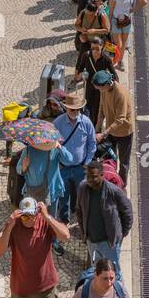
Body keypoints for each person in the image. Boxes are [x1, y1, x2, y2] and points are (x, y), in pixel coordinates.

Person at [0, 197, 70, 298]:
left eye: (32, 216)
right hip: (21, 287)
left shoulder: (44, 221)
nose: (28, 219)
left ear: (37, 212)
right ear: (20, 214)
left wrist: (48, 217)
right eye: (24, 216)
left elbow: (65, 236)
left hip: (46, 285)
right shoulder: (14, 225)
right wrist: (9, 225)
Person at [76, 154, 134, 273]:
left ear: (102, 176)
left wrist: (122, 233)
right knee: (96, 271)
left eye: (94, 177)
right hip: (91, 241)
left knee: (113, 272)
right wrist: (83, 232)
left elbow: (127, 212)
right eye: (88, 176)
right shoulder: (83, 188)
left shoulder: (114, 191)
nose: (90, 180)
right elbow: (79, 210)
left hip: (109, 244)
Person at [53, 96, 97, 224]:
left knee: (82, 196)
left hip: (80, 168)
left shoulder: (86, 122)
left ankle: (81, 221)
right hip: (63, 167)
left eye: (78, 109)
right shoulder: (57, 123)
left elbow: (92, 143)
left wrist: (87, 163)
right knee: (63, 196)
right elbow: (52, 144)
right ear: (66, 108)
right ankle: (64, 220)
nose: (76, 112)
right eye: (73, 110)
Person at [108, 0, 146, 73]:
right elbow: (111, 9)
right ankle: (115, 61)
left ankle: (119, 61)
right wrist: (109, 23)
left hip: (126, 22)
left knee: (123, 43)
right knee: (119, 44)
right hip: (115, 21)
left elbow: (144, 2)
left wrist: (133, 10)